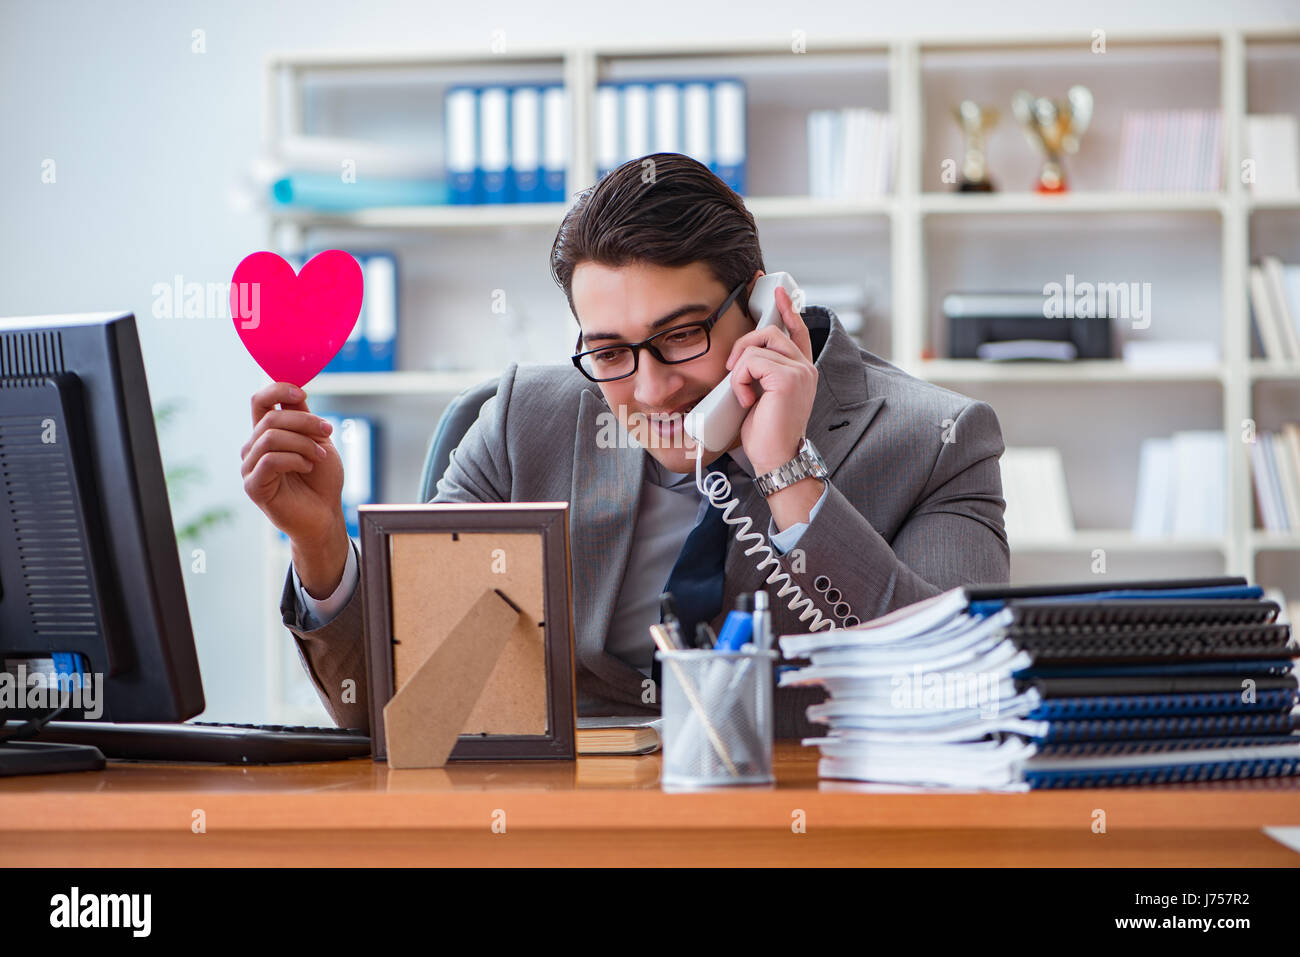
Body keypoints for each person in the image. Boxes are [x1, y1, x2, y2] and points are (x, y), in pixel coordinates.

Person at [241, 152, 1010, 737]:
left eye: (681, 336)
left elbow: (956, 697)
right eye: (609, 350)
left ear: (764, 303)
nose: (648, 390)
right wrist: (319, 546)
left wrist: (787, 471)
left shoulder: (938, 439)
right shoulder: (524, 421)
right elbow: (409, 710)